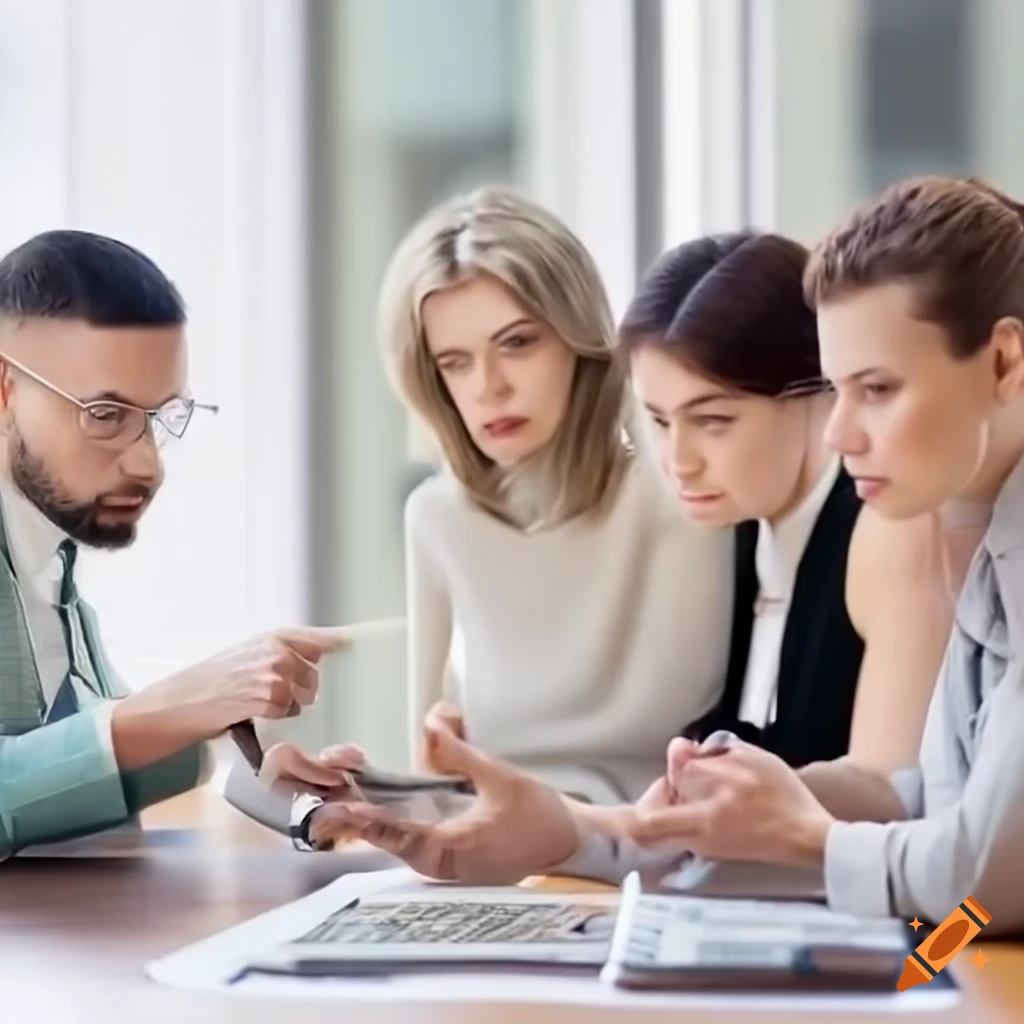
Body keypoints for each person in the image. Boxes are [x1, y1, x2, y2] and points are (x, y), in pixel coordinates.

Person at [319, 177, 1024, 935]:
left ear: (1005, 361)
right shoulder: (958, 546)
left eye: (876, 389)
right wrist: (584, 832)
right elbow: (937, 822)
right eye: (657, 421)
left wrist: (800, 840)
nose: (840, 434)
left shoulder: (902, 529)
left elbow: (976, 878)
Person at [373, 186, 735, 805]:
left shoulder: (684, 490)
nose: (489, 387)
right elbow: (428, 780)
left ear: (576, 338)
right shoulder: (437, 519)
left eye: (517, 343)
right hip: (501, 846)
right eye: (455, 362)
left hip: (668, 840)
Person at [0, 230, 351, 861]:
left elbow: (74, 773)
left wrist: (295, 799)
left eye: (161, 418)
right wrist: (182, 704)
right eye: (105, 414)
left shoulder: (50, 567)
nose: (149, 465)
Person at [620, 232, 949, 772]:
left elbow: (890, 792)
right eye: (658, 421)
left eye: (713, 421)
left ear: (819, 388)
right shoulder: (729, 523)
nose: (678, 461)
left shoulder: (886, 530)